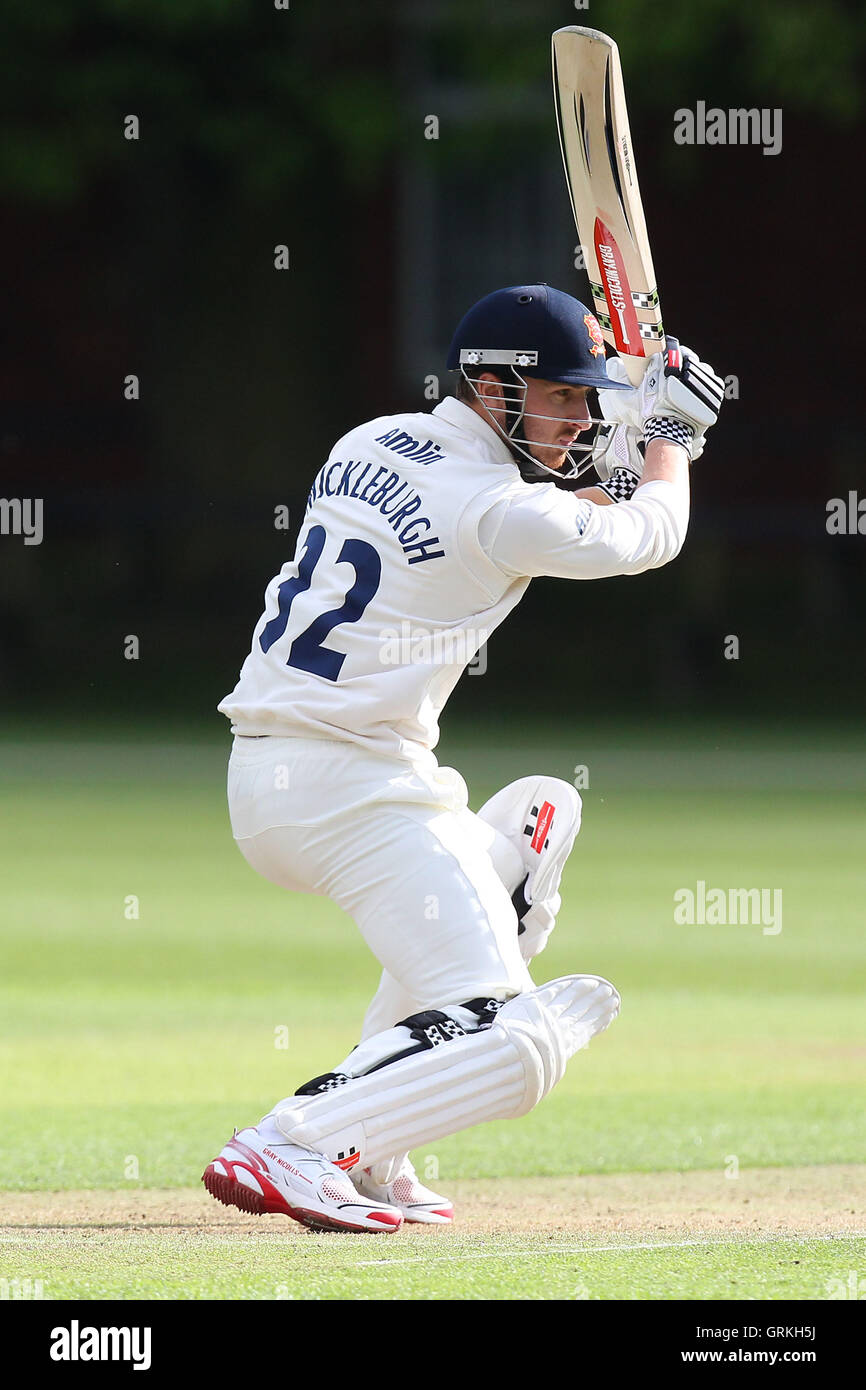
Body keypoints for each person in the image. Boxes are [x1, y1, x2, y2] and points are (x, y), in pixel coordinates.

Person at [204, 283, 724, 1233]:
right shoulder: (498, 508)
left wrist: (620, 442)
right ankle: (296, 1140)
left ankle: (372, 1153)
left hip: (281, 775)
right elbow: (647, 534)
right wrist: (670, 444)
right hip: (349, 789)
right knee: (514, 1037)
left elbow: (540, 496)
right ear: (493, 388)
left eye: (586, 401)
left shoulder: (366, 441)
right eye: (564, 398)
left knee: (531, 826)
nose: (578, 421)